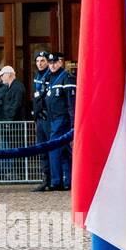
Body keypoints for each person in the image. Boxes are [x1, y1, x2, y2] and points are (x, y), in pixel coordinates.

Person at [41, 52, 75, 191]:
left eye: (55, 62)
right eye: (50, 63)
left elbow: (71, 103)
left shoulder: (66, 78)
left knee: (54, 149)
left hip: (63, 119)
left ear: (60, 63)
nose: (52, 65)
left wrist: (73, 123)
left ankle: (56, 181)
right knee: (63, 151)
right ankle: (67, 180)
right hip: (53, 119)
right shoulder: (50, 78)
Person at [31, 50, 53, 192]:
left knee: (53, 149)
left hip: (47, 118)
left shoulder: (50, 76)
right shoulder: (37, 76)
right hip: (39, 117)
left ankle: (55, 179)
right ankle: (46, 179)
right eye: (38, 61)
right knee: (42, 150)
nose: (39, 64)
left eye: (42, 61)